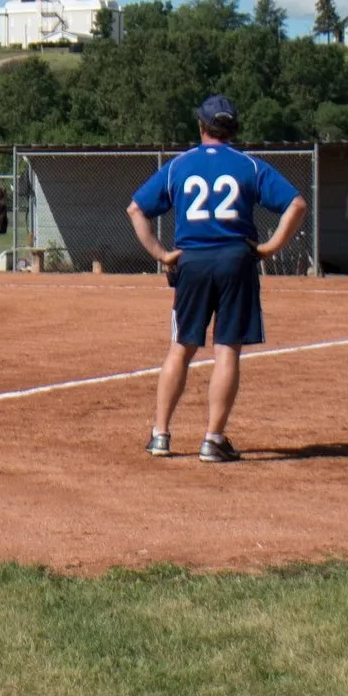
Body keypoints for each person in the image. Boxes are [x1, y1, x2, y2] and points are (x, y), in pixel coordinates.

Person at [126, 95, 308, 464]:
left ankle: (160, 434)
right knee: (227, 348)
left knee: (181, 346)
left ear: (201, 126)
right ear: (233, 128)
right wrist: (270, 247)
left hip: (191, 262)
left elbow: (136, 208)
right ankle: (213, 439)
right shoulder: (248, 166)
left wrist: (161, 254)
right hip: (235, 260)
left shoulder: (179, 165)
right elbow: (297, 204)